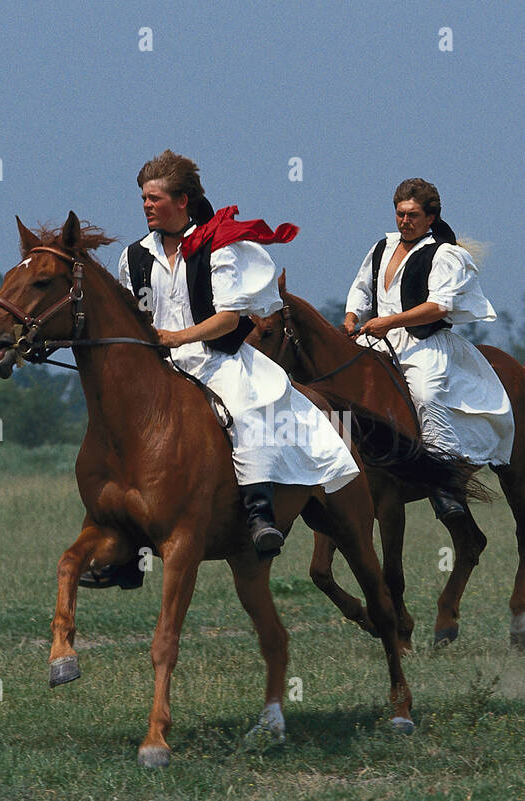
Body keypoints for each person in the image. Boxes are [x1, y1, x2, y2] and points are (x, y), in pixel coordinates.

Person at [79, 150, 359, 588]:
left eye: (155, 198)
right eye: (143, 198)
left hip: (217, 359)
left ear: (183, 201)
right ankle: (127, 547)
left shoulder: (219, 247)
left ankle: (259, 511)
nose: (147, 205)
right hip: (160, 367)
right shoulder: (133, 257)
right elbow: (132, 316)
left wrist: (176, 337)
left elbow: (229, 318)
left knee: (248, 409)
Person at [343, 178, 514, 520]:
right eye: (400, 214)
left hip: (422, 342)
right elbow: (362, 289)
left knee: (426, 395)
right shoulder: (382, 247)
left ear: (430, 218)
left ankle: (443, 483)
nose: (405, 221)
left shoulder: (445, 254)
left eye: (413, 215)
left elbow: (439, 306)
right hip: (375, 338)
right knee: (337, 389)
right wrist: (351, 317)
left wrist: (388, 322)